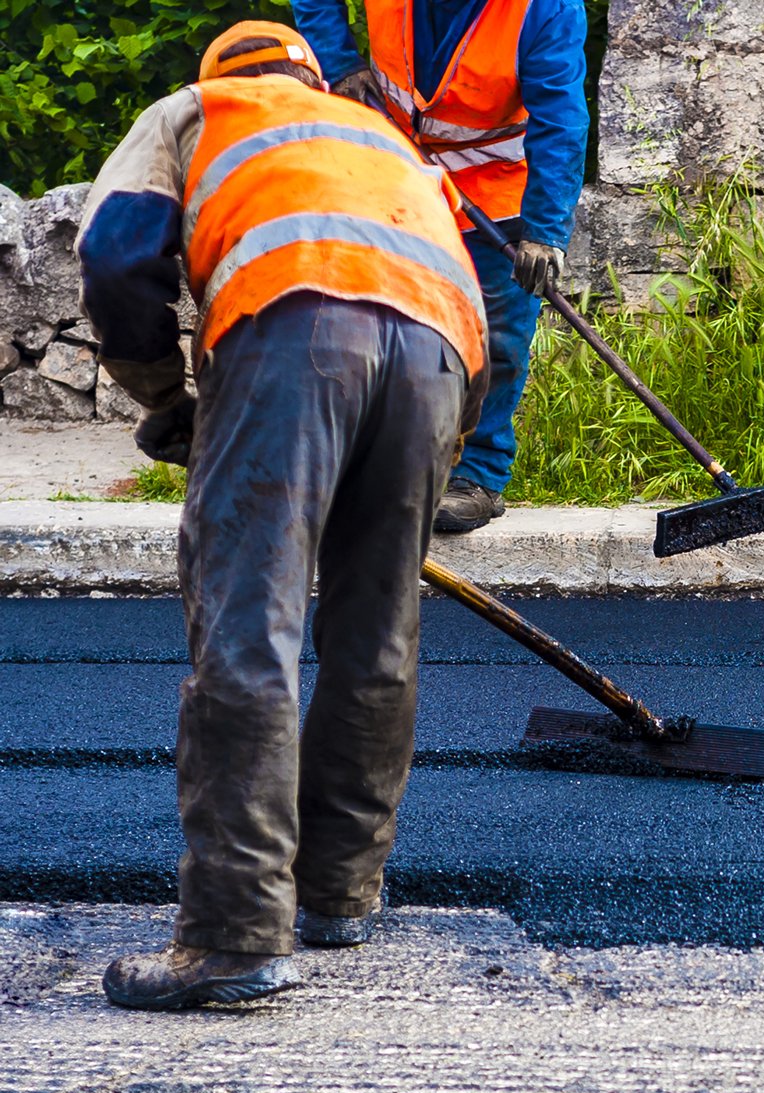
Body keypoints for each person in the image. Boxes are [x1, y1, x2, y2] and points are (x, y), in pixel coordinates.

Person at [78, 21, 488, 1010]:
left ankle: (233, 932)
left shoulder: (198, 111)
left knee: (249, 629)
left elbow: (117, 255)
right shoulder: (373, 133)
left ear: (219, 71)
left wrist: (169, 401)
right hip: (442, 360)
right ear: (311, 75)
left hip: (295, 329)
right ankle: (339, 892)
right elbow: (459, 280)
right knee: (376, 630)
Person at [290, 0, 589, 532]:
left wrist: (544, 233)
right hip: (398, 168)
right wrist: (340, 64)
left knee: (496, 335)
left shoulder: (545, 9)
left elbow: (560, 118)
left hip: (497, 183)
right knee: (383, 321)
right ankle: (383, 462)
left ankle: (478, 476)